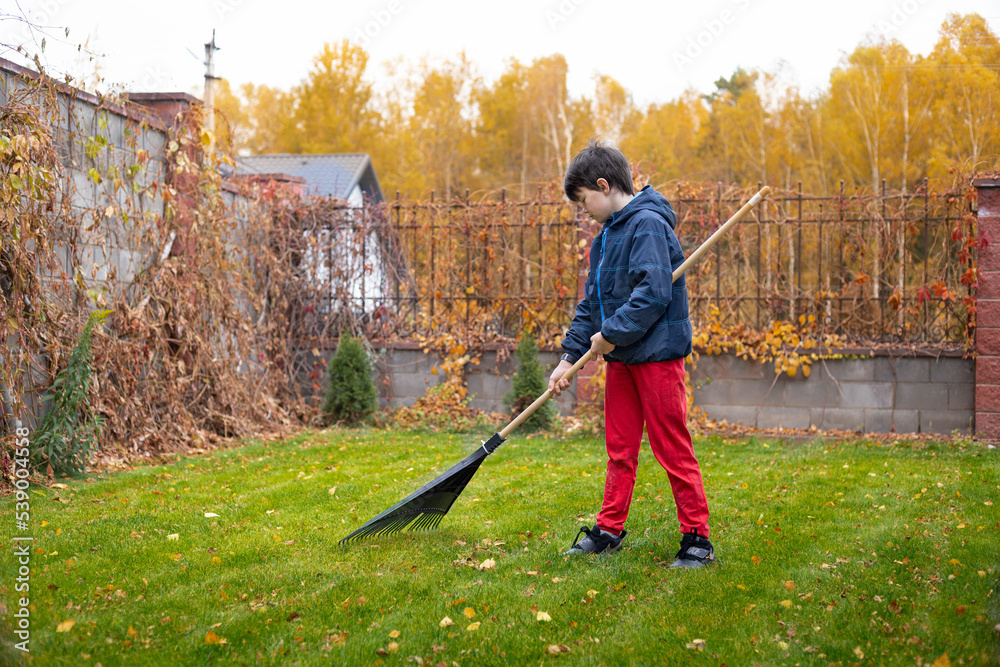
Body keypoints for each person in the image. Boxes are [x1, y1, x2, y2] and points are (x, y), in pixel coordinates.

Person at [548, 140, 714, 568]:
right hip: (622, 359)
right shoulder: (604, 241)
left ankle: (697, 539)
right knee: (620, 447)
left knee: (671, 446)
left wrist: (611, 335)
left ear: (603, 186)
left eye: (585, 202)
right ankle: (608, 529)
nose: (584, 212)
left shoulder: (648, 225)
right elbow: (592, 305)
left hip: (657, 357)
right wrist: (570, 357)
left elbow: (654, 294)